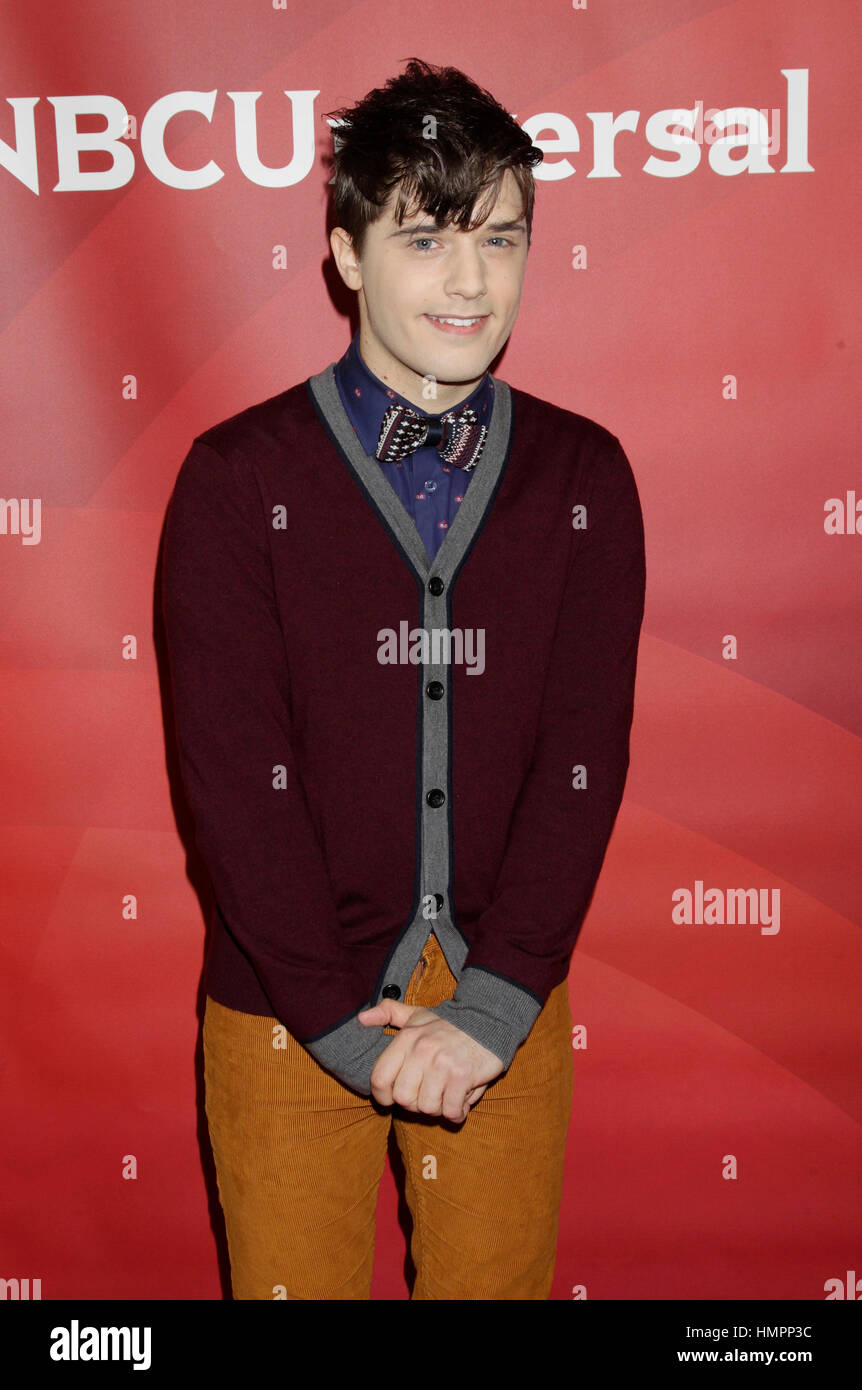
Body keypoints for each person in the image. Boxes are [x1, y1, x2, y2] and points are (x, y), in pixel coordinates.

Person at [161, 56, 646, 1300]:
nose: (471, 280)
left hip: (504, 996)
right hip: (283, 1005)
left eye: (501, 237)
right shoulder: (234, 480)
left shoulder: (585, 479)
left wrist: (490, 1005)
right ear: (345, 251)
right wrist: (334, 1022)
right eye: (426, 237)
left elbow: (581, 766)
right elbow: (229, 781)